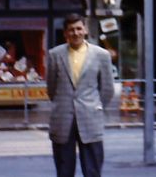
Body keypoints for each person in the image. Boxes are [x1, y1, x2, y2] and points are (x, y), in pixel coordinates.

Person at [47, 13, 115, 177]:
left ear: (85, 30)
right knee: (64, 169)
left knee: (92, 169)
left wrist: (96, 107)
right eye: (71, 30)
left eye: (78, 28)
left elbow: (107, 88)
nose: (75, 33)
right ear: (65, 33)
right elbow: (51, 88)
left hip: (90, 117)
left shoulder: (101, 55)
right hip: (63, 118)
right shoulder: (55, 55)